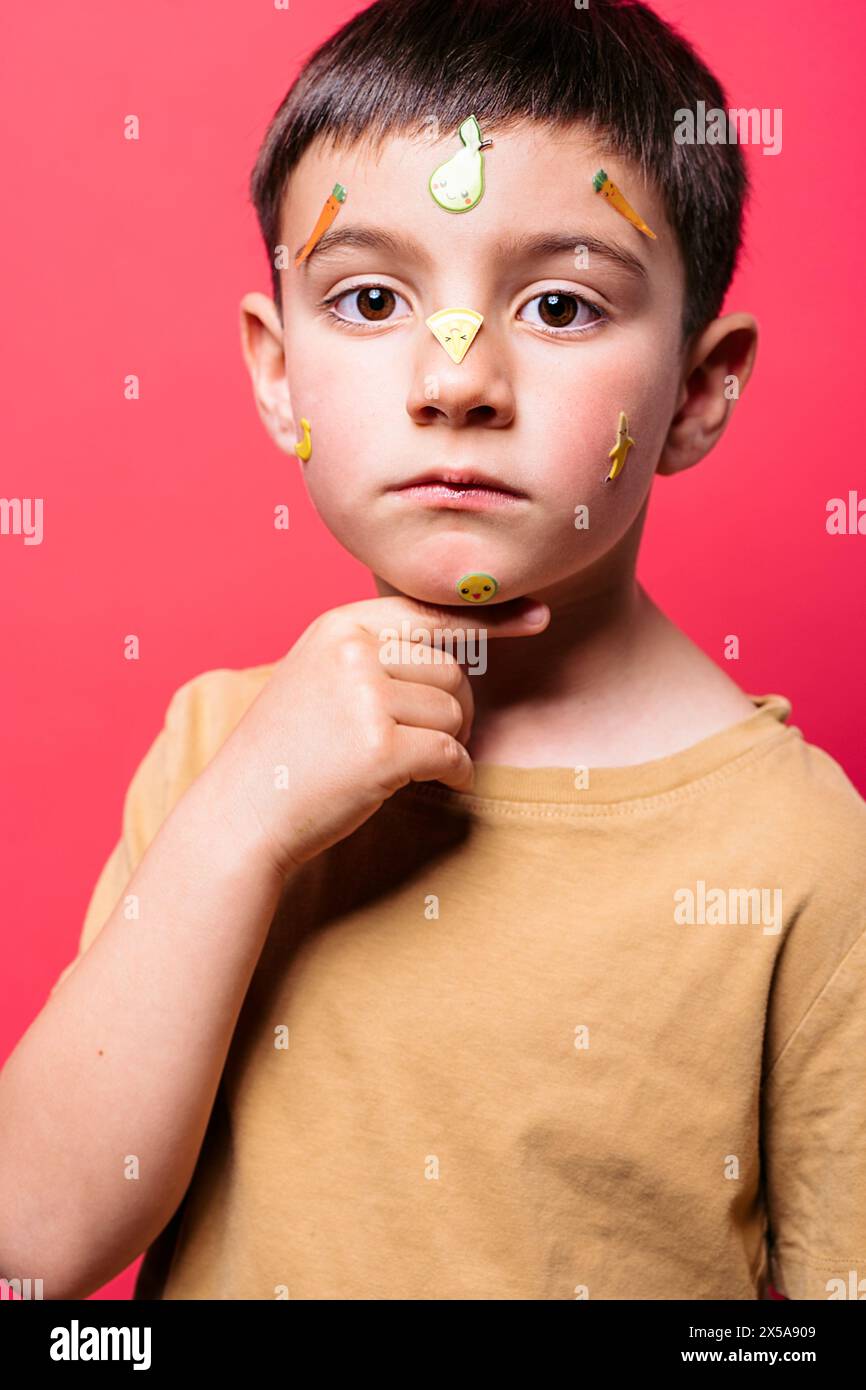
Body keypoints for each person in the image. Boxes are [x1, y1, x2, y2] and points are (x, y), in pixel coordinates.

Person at [3, 0, 864, 1301]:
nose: (454, 376)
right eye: (366, 297)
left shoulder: (798, 847)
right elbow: (34, 1239)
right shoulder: (216, 751)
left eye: (563, 304)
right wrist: (243, 819)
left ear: (697, 391)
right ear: (278, 370)